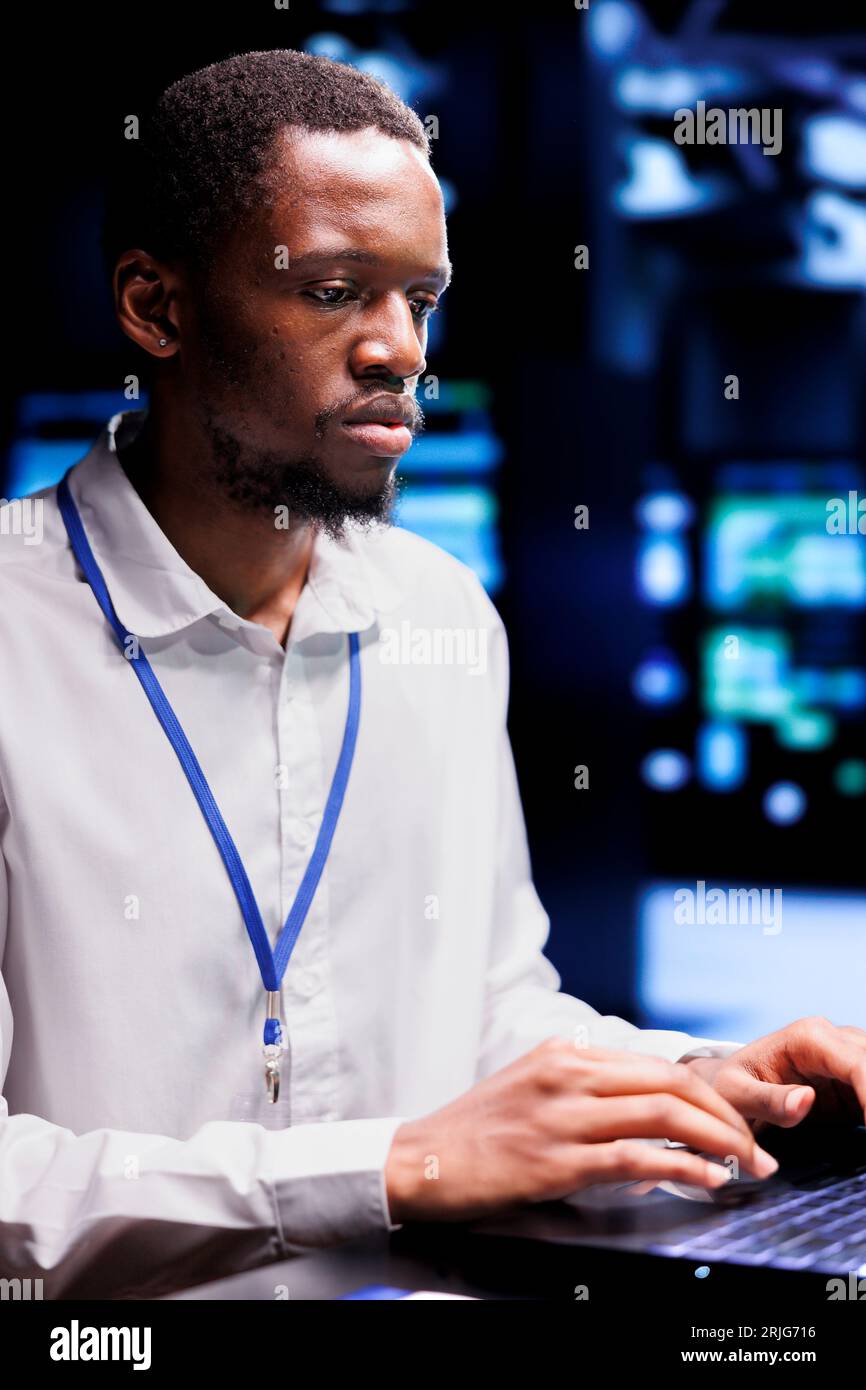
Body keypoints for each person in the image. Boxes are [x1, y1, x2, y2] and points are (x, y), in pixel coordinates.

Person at [1, 49, 864, 1299]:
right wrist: (390, 1167)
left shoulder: (439, 614)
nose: (397, 350)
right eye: (337, 290)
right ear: (156, 308)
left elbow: (487, 1014)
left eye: (421, 299)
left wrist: (686, 1085)